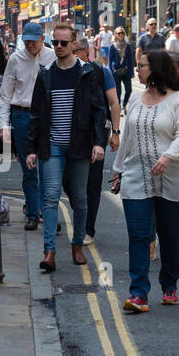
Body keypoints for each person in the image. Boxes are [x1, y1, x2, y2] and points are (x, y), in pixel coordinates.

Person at [112, 49, 179, 312]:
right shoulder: (135, 100)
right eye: (137, 65)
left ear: (157, 68)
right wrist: (117, 170)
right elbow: (126, 138)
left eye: (143, 65)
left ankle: (169, 285)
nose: (138, 70)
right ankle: (138, 294)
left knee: (169, 236)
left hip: (173, 178)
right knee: (138, 236)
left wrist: (168, 157)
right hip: (137, 176)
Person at [27, 24, 108, 272]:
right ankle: (49, 251)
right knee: (50, 197)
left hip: (80, 144)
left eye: (64, 43)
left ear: (74, 44)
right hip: (52, 146)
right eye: (56, 43)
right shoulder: (46, 74)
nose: (59, 47)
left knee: (80, 198)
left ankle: (77, 245)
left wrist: (99, 142)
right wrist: (32, 148)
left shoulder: (87, 72)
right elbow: (36, 113)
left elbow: (99, 110)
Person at [0, 21, 54, 230]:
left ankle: (47, 214)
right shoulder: (15, 59)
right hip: (22, 116)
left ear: (42, 39)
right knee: (29, 169)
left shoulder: (53, 58)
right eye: (26, 42)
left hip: (47, 117)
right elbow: (4, 96)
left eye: (33, 42)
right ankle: (32, 213)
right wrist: (4, 126)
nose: (30, 46)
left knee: (48, 168)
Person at [74, 37, 122, 245]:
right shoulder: (63, 71)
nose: (70, 54)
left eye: (75, 50)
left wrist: (116, 132)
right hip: (71, 134)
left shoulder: (102, 72)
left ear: (86, 52)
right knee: (71, 182)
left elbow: (114, 103)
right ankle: (79, 222)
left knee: (92, 183)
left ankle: (87, 229)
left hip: (96, 133)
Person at [106, 28, 136, 107]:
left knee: (129, 90)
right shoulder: (112, 46)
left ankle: (124, 104)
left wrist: (132, 72)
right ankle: (118, 107)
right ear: (115, 34)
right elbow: (110, 60)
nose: (121, 35)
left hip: (126, 71)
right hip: (116, 71)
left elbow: (130, 60)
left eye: (122, 33)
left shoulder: (127, 46)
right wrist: (110, 73)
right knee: (118, 92)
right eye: (119, 33)